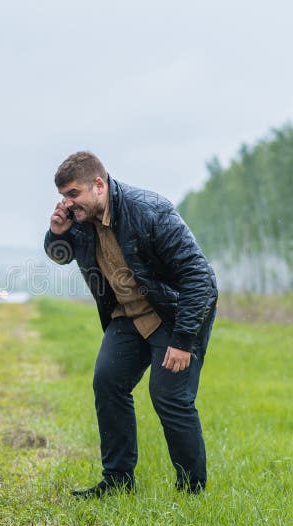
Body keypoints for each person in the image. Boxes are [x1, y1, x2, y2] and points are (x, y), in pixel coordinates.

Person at [44, 151, 218, 497]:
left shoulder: (150, 211)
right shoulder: (78, 220)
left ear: (98, 185)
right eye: (63, 195)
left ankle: (192, 491)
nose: (67, 203)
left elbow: (201, 278)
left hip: (172, 314)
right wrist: (56, 234)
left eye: (73, 194)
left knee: (169, 396)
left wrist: (183, 340)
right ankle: (118, 482)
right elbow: (60, 256)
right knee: (108, 382)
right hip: (126, 316)